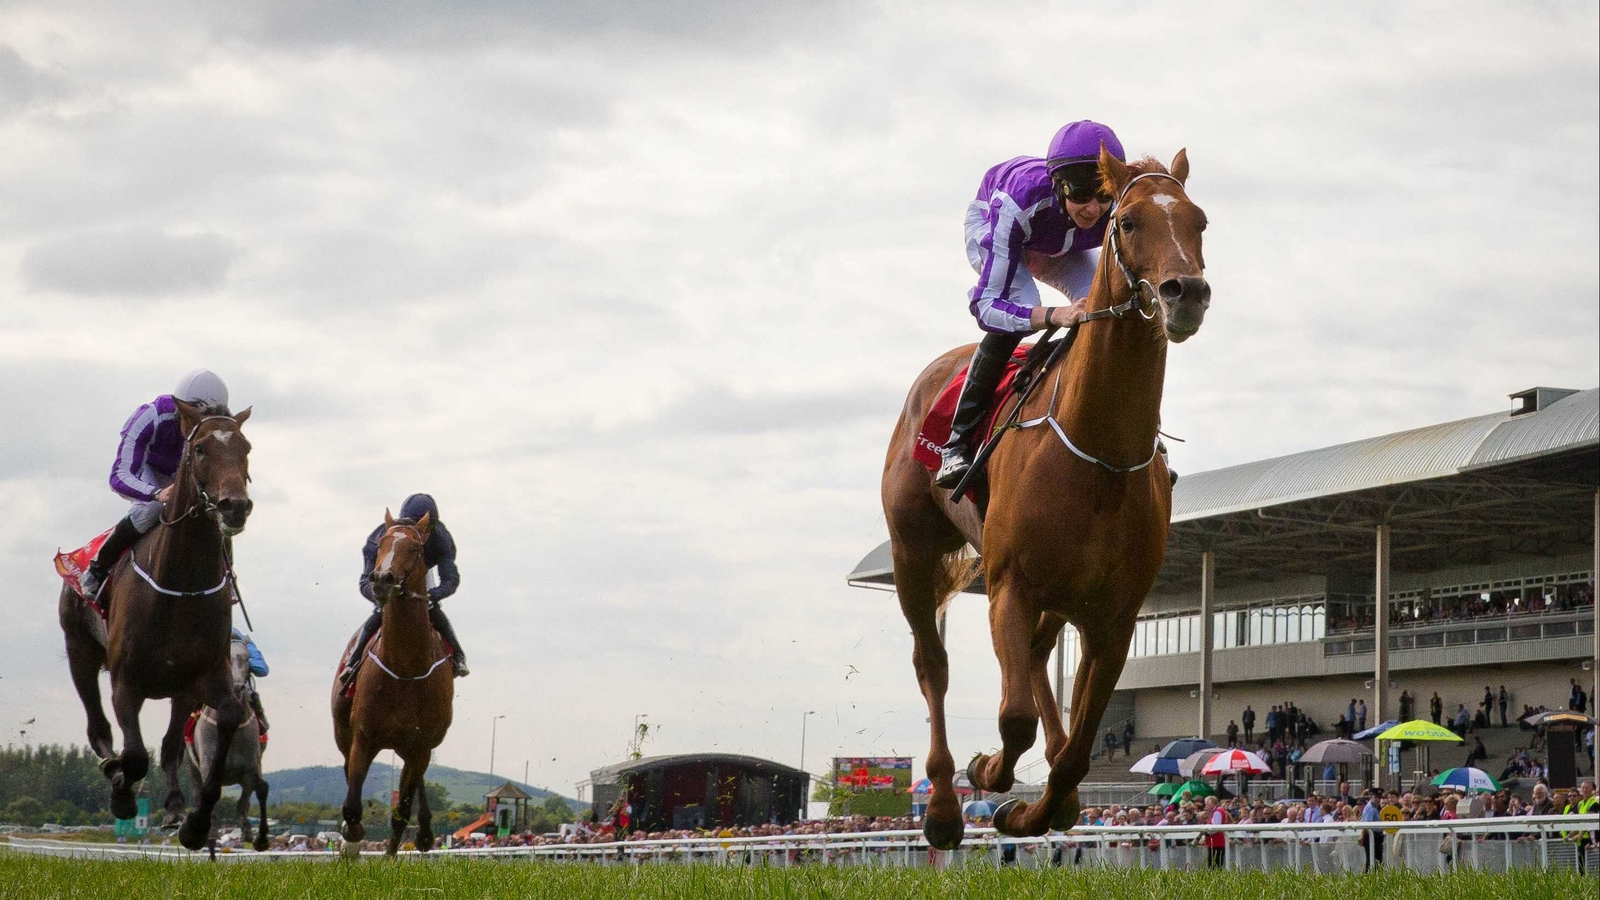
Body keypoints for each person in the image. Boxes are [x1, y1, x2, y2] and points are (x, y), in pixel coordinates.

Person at [935, 120, 1149, 489]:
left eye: (1102, 193)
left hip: (1060, 242)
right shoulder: (1017, 202)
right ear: (1058, 184)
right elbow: (987, 307)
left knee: (1109, 310)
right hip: (1001, 224)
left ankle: (1147, 436)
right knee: (1021, 310)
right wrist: (1054, 315)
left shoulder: (1115, 208)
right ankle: (956, 444)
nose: (1093, 208)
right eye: (1081, 192)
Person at [79, 370, 232, 601]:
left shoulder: (220, 424)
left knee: (218, 512)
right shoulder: (151, 416)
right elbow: (119, 475)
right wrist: (156, 493)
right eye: (193, 417)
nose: (198, 425)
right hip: (148, 471)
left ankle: (227, 578)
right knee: (150, 510)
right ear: (181, 409)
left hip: (185, 471)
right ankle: (97, 570)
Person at [340, 493, 469, 682]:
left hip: (421, 572)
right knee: (380, 610)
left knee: (432, 609)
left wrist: (432, 595)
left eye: (426, 528)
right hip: (389, 576)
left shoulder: (441, 537)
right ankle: (353, 661)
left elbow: (450, 580)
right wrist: (381, 597)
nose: (421, 532)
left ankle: (458, 656)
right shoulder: (378, 539)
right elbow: (364, 582)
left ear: (431, 526)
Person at [232, 628, 271, 732]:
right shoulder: (208, 638)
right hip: (216, 692)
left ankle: (260, 721)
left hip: (243, 694)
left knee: (253, 696)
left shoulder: (244, 641)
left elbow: (262, 669)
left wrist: (241, 661)